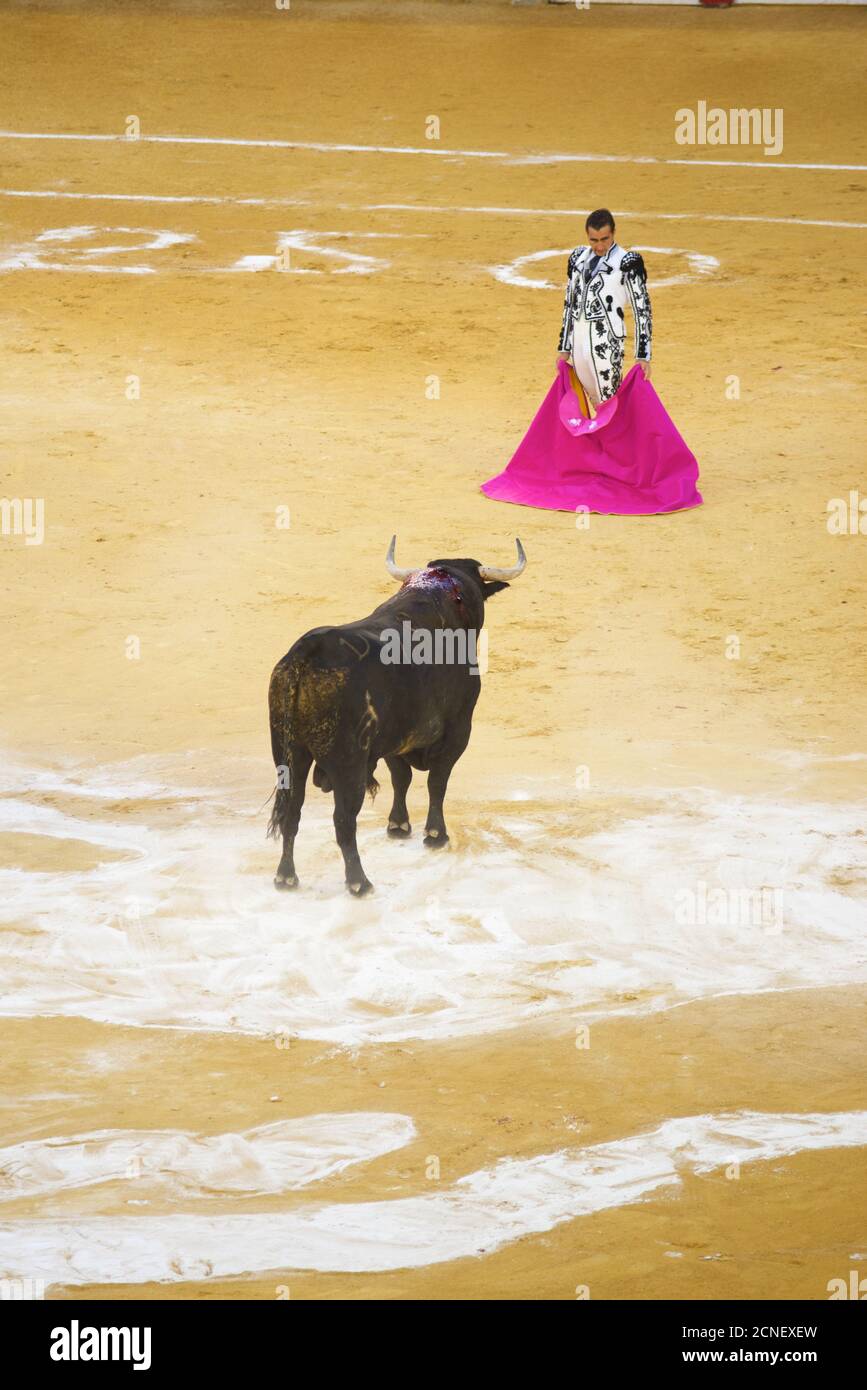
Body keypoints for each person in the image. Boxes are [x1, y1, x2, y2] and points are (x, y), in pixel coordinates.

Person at [555, 209, 652, 411]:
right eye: (594, 240)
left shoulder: (627, 263)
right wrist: (564, 348)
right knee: (593, 400)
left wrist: (643, 355)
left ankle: (616, 443)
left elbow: (641, 309)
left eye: (604, 239)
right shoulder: (578, 259)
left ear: (614, 233)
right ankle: (599, 443)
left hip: (607, 341)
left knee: (610, 402)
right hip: (578, 341)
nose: (599, 246)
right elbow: (569, 303)